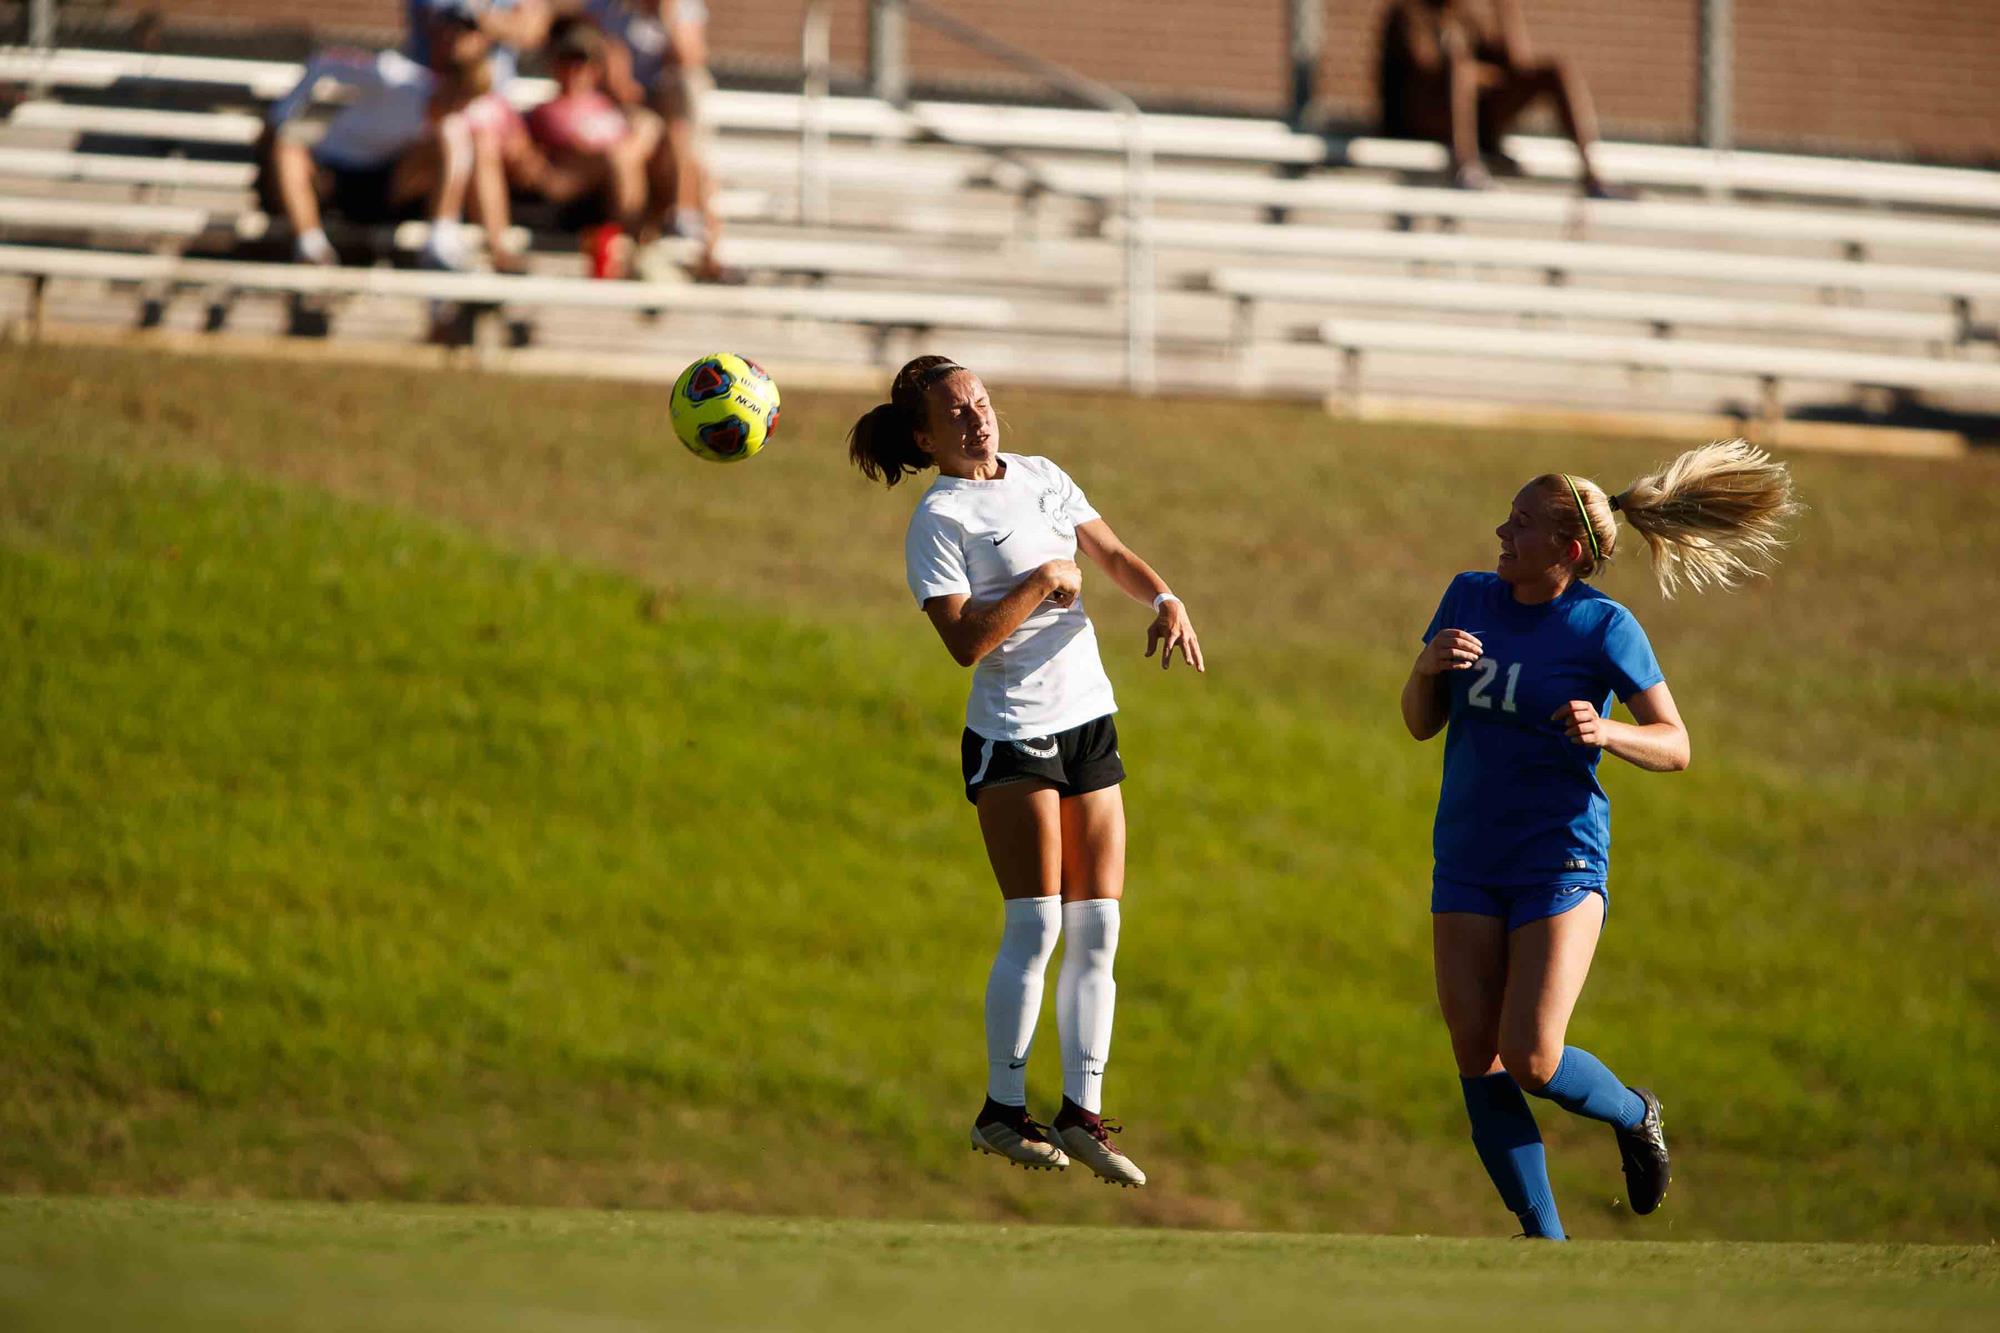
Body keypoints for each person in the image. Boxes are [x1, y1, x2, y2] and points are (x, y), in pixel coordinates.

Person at [1402, 439, 1800, 1239]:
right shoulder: (1467, 597)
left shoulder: (1603, 625)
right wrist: (1426, 668)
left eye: (1519, 523)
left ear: (1566, 549)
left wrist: (1607, 734)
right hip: (1469, 858)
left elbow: (1676, 743)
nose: (1499, 533)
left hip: (1560, 859)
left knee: (1534, 1057)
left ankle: (1633, 1110)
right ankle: (1546, 1243)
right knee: (1474, 1052)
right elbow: (1421, 723)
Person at [848, 356, 1204, 1187]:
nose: (978, 419)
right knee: (1036, 922)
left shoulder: (1043, 475)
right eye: (956, 412)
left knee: (1100, 927)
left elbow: (1110, 553)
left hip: (1089, 719)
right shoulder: (939, 519)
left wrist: (1164, 598)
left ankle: (1083, 1112)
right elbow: (964, 642)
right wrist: (1043, 582)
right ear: (924, 436)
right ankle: (1002, 1111)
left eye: (981, 401)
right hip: (1013, 734)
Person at [260, 1, 517, 272]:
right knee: (288, 144)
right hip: (330, 178)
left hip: (384, 188)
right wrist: (288, 120)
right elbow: (322, 75)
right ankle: (312, 248)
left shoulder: (471, 115)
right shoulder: (388, 77)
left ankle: (443, 241)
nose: (455, 41)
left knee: (453, 137)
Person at [1377, 0, 1625, 197]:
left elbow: (1516, 66)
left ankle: (1592, 176)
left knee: (1555, 71)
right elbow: (1426, 74)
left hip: (1476, 120)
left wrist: (1505, 8)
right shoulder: (1409, 14)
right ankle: (1466, 167)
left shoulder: (1463, 20)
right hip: (1417, 121)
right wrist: (1477, 75)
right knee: (1460, 68)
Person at [563, 0, 724, 280]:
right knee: (630, 151)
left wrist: (666, 14)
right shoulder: (604, 8)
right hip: (626, 110)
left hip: (669, 119)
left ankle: (689, 226)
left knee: (683, 113)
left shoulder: (680, 6)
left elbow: (690, 58)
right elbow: (615, 80)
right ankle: (644, 239)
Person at [523, 21, 663, 278]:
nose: (576, 71)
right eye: (568, 61)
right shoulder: (547, 111)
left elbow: (646, 128)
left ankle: (675, 233)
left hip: (612, 187)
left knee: (653, 134)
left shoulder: (609, 108)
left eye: (584, 63)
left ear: (595, 69)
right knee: (619, 156)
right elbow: (578, 150)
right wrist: (626, 150)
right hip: (573, 197)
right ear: (555, 66)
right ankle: (639, 249)